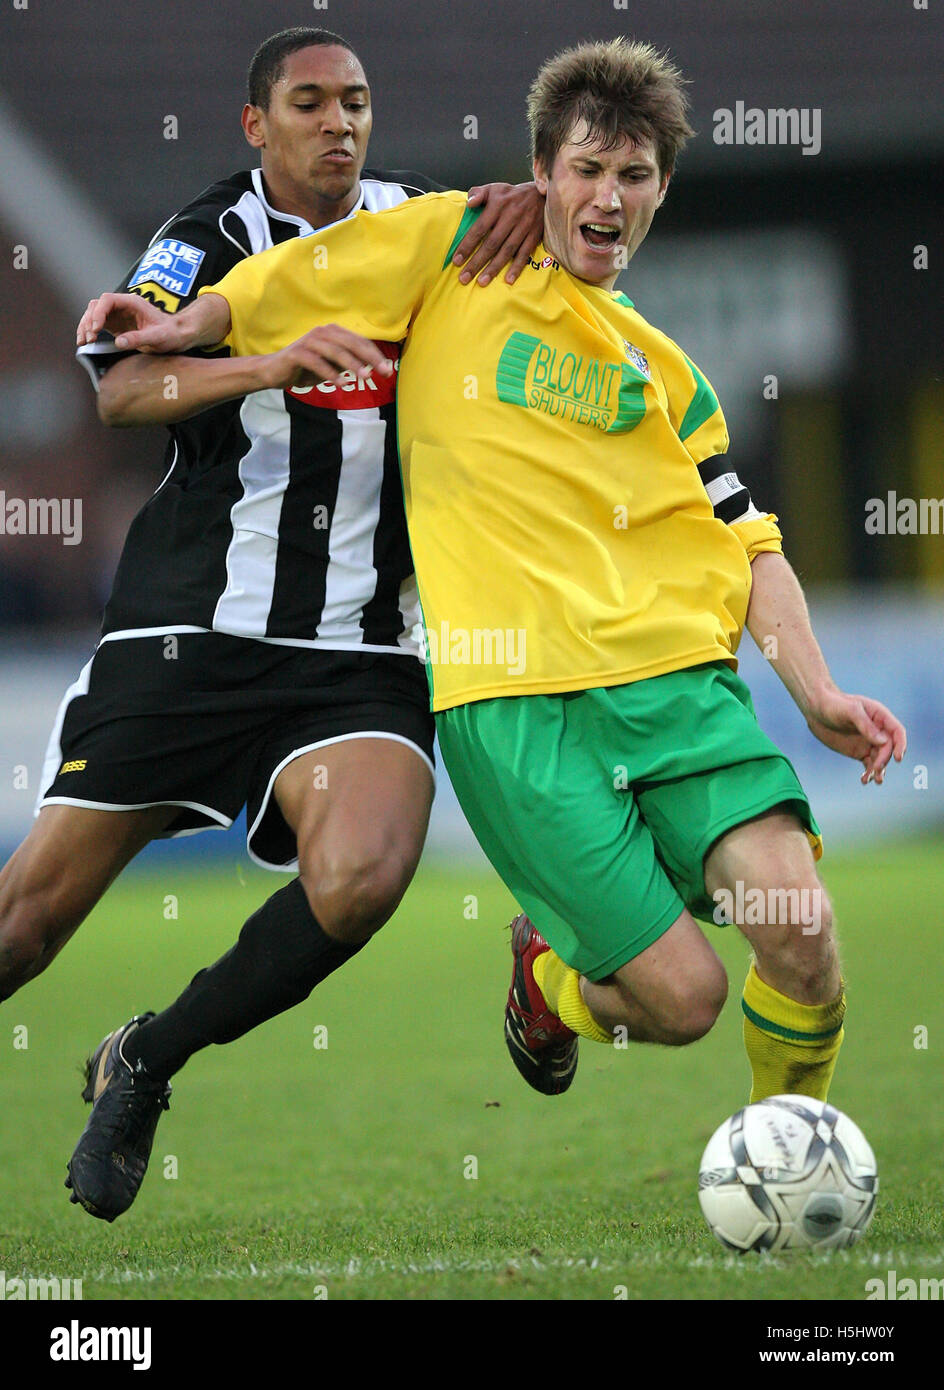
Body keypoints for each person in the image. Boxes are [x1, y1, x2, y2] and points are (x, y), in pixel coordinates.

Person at [86, 37, 906, 1152]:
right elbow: (282, 286)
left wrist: (813, 691)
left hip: (677, 692)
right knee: (683, 1000)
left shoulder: (668, 373)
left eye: (633, 176)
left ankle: (783, 1155)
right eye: (584, 171)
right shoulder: (453, 251)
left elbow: (749, 544)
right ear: (539, 174)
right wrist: (175, 326)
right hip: (512, 706)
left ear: (661, 190)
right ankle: (549, 981)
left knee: (799, 929)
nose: (605, 197)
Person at [0, 25, 543, 1223]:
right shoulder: (207, 239)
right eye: (309, 102)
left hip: (357, 647)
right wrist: (270, 363)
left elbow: (545, 240)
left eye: (353, 100)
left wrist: (531, 196)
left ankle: (146, 1058)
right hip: (189, 631)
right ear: (258, 125)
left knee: (361, 877)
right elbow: (126, 380)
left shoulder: (422, 228)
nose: (337, 122)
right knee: (26, 924)